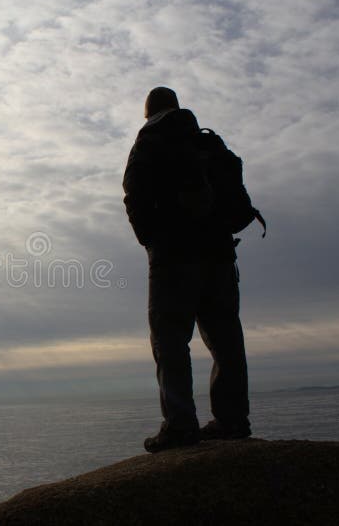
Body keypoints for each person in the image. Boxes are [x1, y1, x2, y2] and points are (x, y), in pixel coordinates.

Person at [123, 87, 252, 453]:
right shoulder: (206, 143)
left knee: (170, 341)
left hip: (173, 257)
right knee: (226, 340)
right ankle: (232, 421)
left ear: (148, 112)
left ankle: (180, 426)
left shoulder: (149, 141)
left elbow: (134, 196)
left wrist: (151, 240)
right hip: (220, 256)